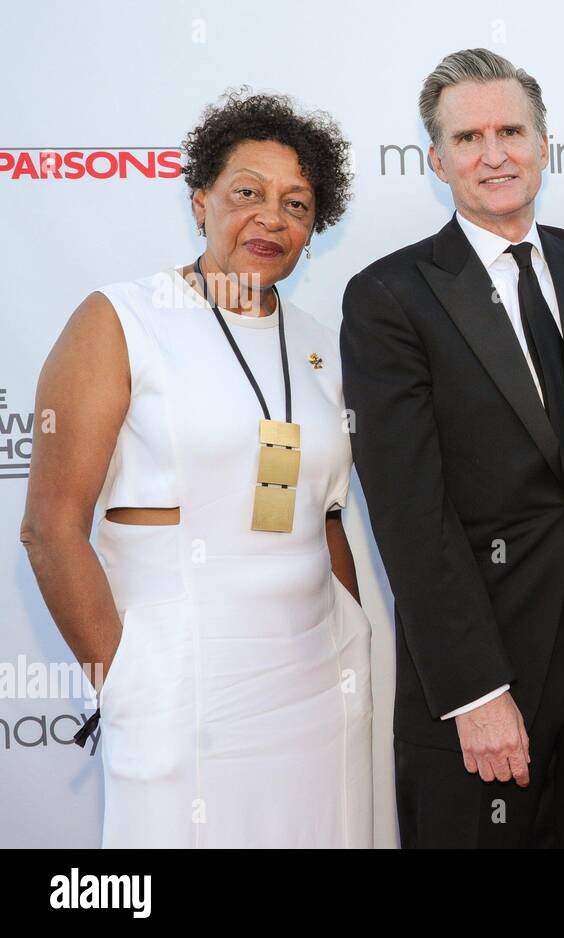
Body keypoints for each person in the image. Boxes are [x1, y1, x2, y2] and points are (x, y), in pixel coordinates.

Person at [20, 90, 372, 848]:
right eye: (247, 192)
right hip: (175, 680)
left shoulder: (320, 341)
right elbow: (50, 528)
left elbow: (330, 514)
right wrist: (123, 683)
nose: (271, 218)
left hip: (319, 679)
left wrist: (357, 633)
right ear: (200, 199)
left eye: (298, 204)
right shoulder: (120, 319)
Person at [341, 48, 564, 849]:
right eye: (468, 137)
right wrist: (475, 691)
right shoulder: (390, 297)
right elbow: (410, 513)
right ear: (436, 158)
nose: (494, 154)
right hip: (484, 668)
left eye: (511, 130)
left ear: (545, 143)